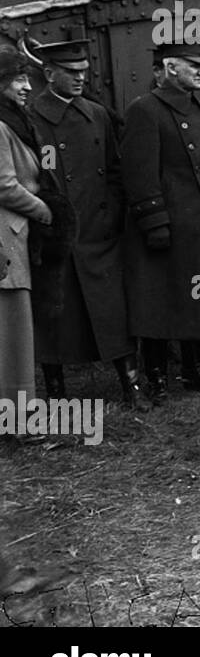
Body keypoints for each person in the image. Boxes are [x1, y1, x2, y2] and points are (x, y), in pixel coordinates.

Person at [27, 40, 147, 410]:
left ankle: (132, 387)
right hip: (54, 233)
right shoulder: (30, 117)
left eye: (83, 71)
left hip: (98, 231)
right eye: (71, 72)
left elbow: (114, 170)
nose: (80, 78)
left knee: (112, 310)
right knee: (55, 317)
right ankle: (57, 393)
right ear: (49, 74)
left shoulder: (96, 114)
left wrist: (110, 213)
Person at [122, 49, 200, 401]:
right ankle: (155, 374)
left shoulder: (198, 107)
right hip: (169, 225)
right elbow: (139, 173)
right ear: (170, 68)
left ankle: (194, 366)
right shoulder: (146, 109)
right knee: (160, 299)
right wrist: (155, 222)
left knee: (196, 296)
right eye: (195, 66)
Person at [0, 50, 53, 440]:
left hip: (11, 234)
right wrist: (44, 210)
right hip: (6, 238)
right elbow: (3, 185)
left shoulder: (11, 122)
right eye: (19, 80)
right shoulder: (1, 126)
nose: (27, 87)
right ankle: (18, 423)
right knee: (13, 332)